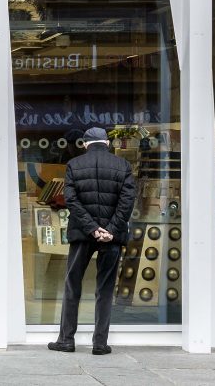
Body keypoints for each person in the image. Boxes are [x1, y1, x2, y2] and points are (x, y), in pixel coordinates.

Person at [48, 127, 137, 356]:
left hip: (82, 234)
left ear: (86, 144)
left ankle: (66, 340)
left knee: (73, 285)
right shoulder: (123, 166)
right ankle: (100, 343)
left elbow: (71, 201)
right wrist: (110, 230)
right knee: (105, 289)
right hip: (111, 236)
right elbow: (127, 201)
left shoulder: (74, 165)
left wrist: (92, 229)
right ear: (107, 143)